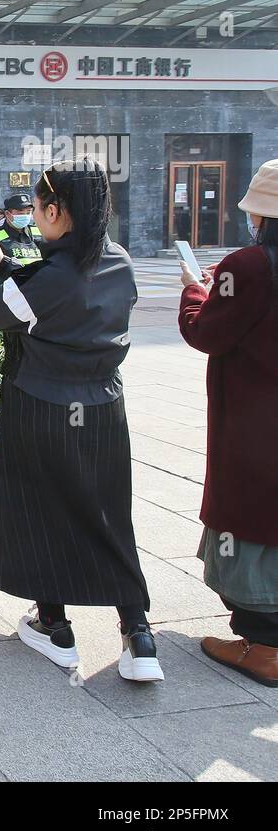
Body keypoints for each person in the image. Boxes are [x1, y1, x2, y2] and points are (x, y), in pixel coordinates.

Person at [0, 160, 162, 682]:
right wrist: (5, 265)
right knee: (109, 513)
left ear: (56, 210)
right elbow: (49, 299)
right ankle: (138, 635)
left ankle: (54, 626)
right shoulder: (120, 262)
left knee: (41, 510)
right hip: (103, 410)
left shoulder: (56, 276)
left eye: (43, 205)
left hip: (41, 406)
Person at [179, 158, 278, 687]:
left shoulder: (250, 266)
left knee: (251, 523)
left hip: (255, 427)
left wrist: (197, 289)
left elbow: (207, 333)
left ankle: (263, 646)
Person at [0, 192, 45, 284]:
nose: (25, 216)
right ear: (7, 213)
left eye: (28, 212)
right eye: (20, 213)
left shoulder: (38, 232)